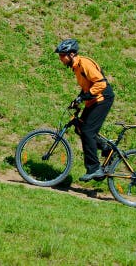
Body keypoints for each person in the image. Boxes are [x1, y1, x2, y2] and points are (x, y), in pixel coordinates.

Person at [55, 38, 115, 182]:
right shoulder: (76, 67)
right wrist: (78, 99)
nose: (60, 58)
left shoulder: (84, 64)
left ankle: (94, 168)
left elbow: (101, 83)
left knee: (88, 131)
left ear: (72, 54)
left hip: (102, 99)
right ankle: (107, 149)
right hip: (93, 100)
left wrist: (85, 97)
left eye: (62, 55)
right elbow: (87, 87)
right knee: (80, 128)